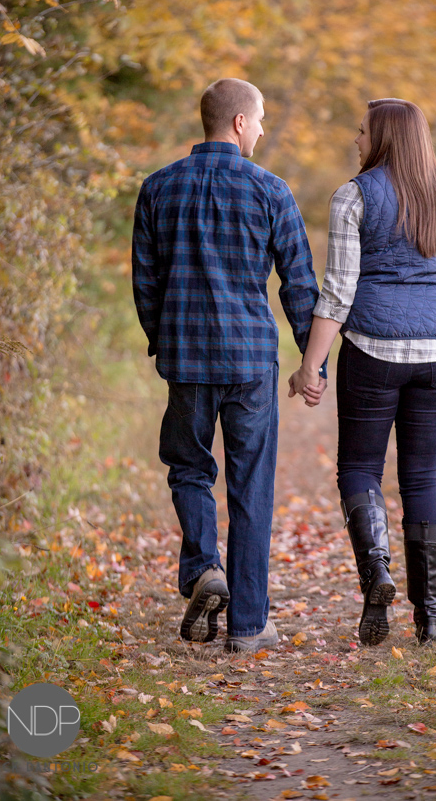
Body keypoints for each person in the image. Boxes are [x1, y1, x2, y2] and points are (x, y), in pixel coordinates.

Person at [133, 78, 326, 653]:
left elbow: (146, 282)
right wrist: (311, 361)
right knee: (251, 486)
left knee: (189, 469)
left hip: (187, 360)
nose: (262, 131)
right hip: (250, 362)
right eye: (260, 119)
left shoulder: (158, 188)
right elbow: (299, 283)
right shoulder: (271, 190)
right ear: (239, 122)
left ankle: (202, 568)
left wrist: (165, 340)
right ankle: (248, 626)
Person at [289, 98, 436, 647]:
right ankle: (431, 619)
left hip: (374, 349)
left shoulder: (355, 195)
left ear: (386, 137)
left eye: (363, 131)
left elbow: (338, 292)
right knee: (423, 477)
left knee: (360, 467)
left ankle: (377, 574)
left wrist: (311, 366)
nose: (357, 139)